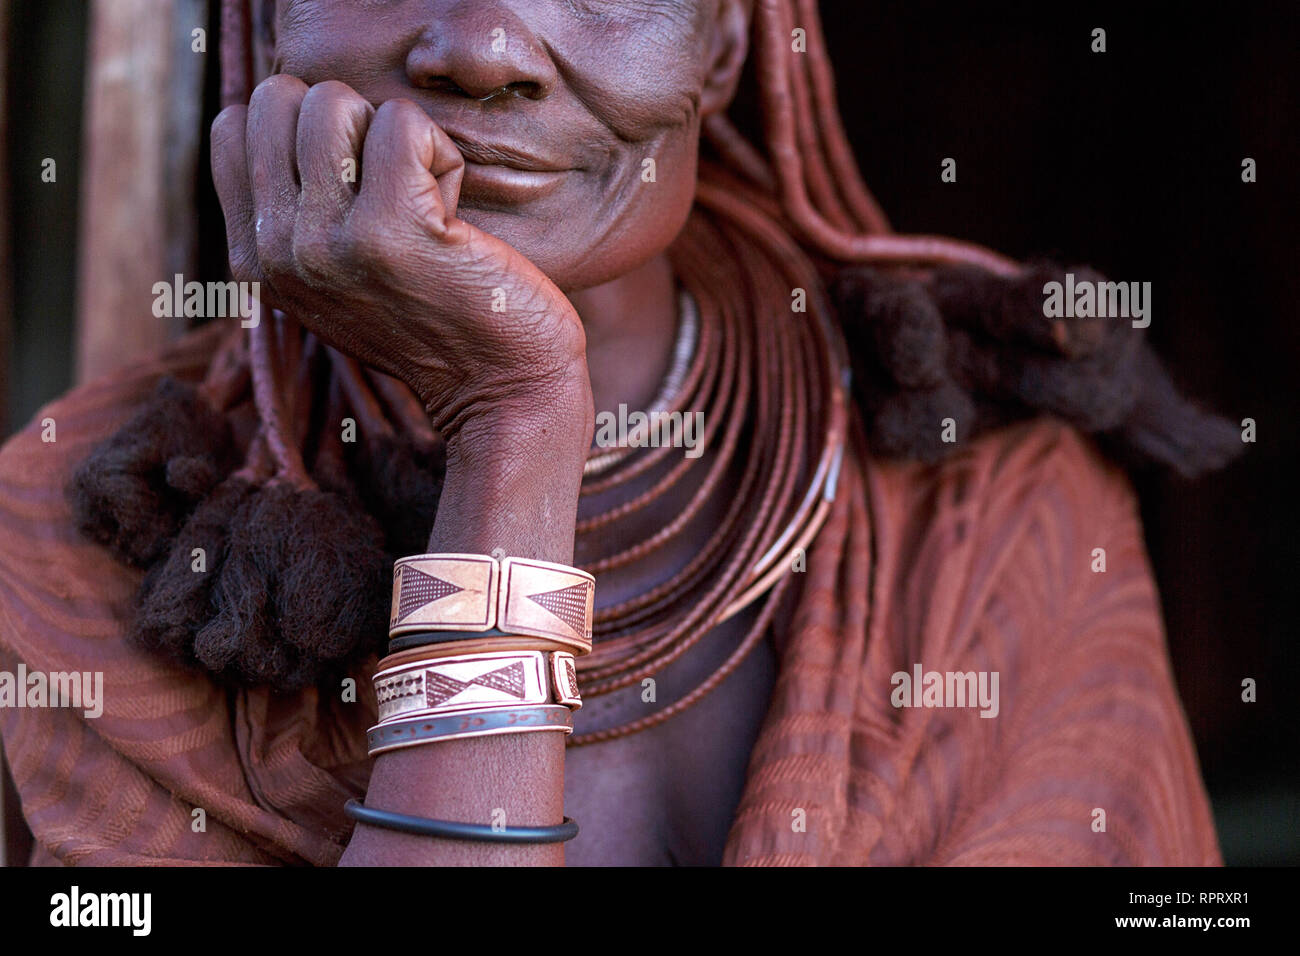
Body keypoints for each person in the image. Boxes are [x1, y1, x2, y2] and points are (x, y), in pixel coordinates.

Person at [0, 0, 1235, 866]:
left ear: (727, 39)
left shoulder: (994, 516)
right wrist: (514, 427)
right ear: (268, 15)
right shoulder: (73, 530)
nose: (483, 50)